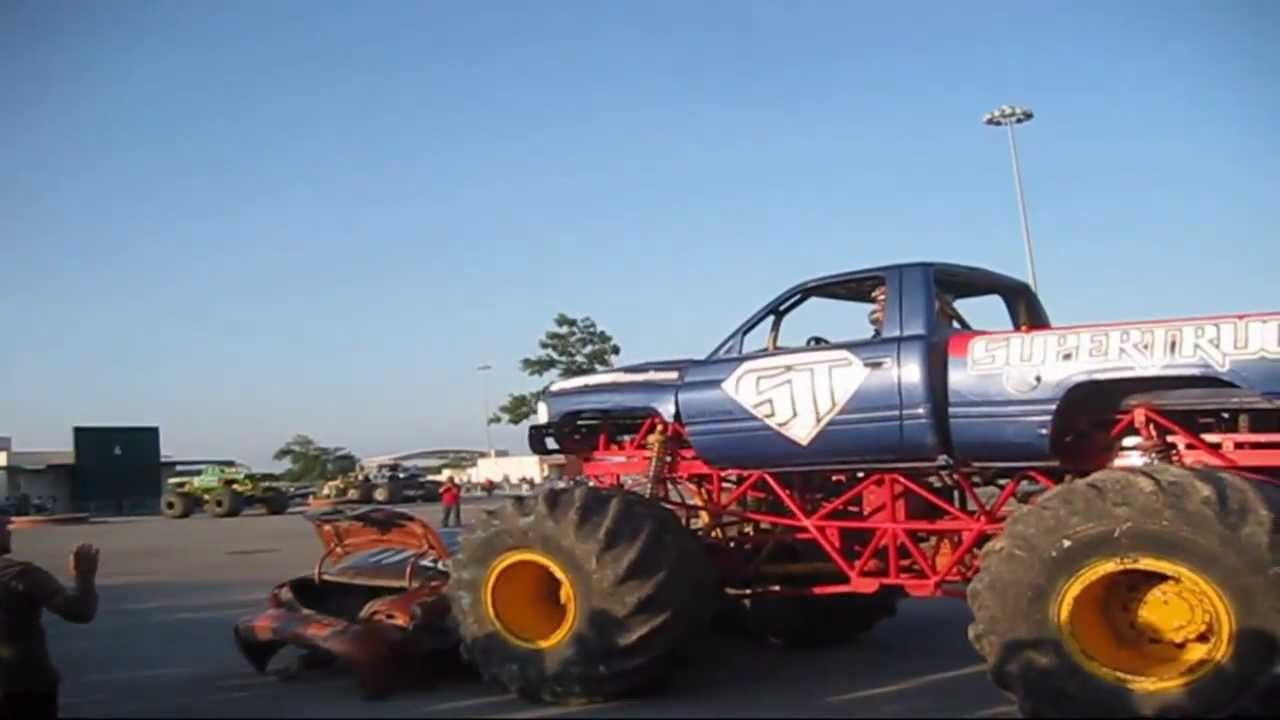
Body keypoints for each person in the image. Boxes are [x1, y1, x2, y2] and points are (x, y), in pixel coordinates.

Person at [0, 514, 100, 720]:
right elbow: (80, 611)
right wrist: (84, 577)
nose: (8, 530)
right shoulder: (22, 574)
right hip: (25, 686)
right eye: (2, 526)